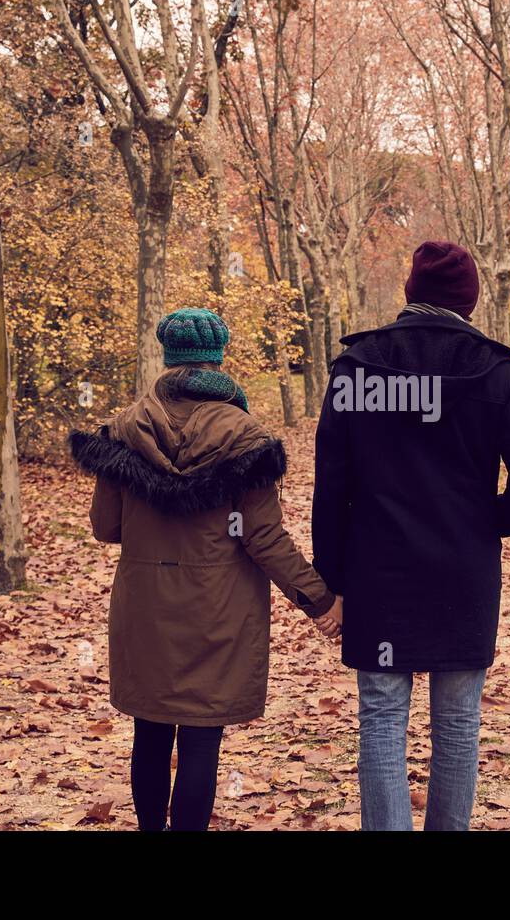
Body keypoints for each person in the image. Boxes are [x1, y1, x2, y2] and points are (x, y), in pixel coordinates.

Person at [312, 240, 510, 830]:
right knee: (457, 723)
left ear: (410, 293)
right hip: (462, 573)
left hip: (378, 573)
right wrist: (487, 524)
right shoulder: (495, 372)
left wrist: (333, 581)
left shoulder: (357, 367)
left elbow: (330, 488)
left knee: (381, 718)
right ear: (469, 300)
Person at [70, 308, 342, 831]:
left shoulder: (125, 429)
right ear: (218, 361)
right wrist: (322, 601)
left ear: (168, 361)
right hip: (217, 609)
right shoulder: (247, 438)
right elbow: (263, 537)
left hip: (146, 607)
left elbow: (106, 528)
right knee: (201, 737)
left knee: (149, 732)